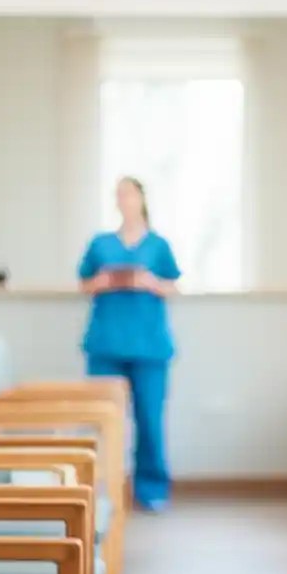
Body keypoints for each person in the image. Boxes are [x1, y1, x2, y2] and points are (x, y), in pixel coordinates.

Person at [77, 176, 181, 512]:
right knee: (103, 421)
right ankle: (104, 486)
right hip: (106, 345)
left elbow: (173, 286)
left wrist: (150, 282)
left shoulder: (158, 245)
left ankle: (151, 489)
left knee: (149, 420)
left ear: (141, 199)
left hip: (149, 347)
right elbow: (83, 283)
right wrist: (103, 282)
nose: (124, 199)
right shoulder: (100, 243)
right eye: (119, 194)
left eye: (130, 193)